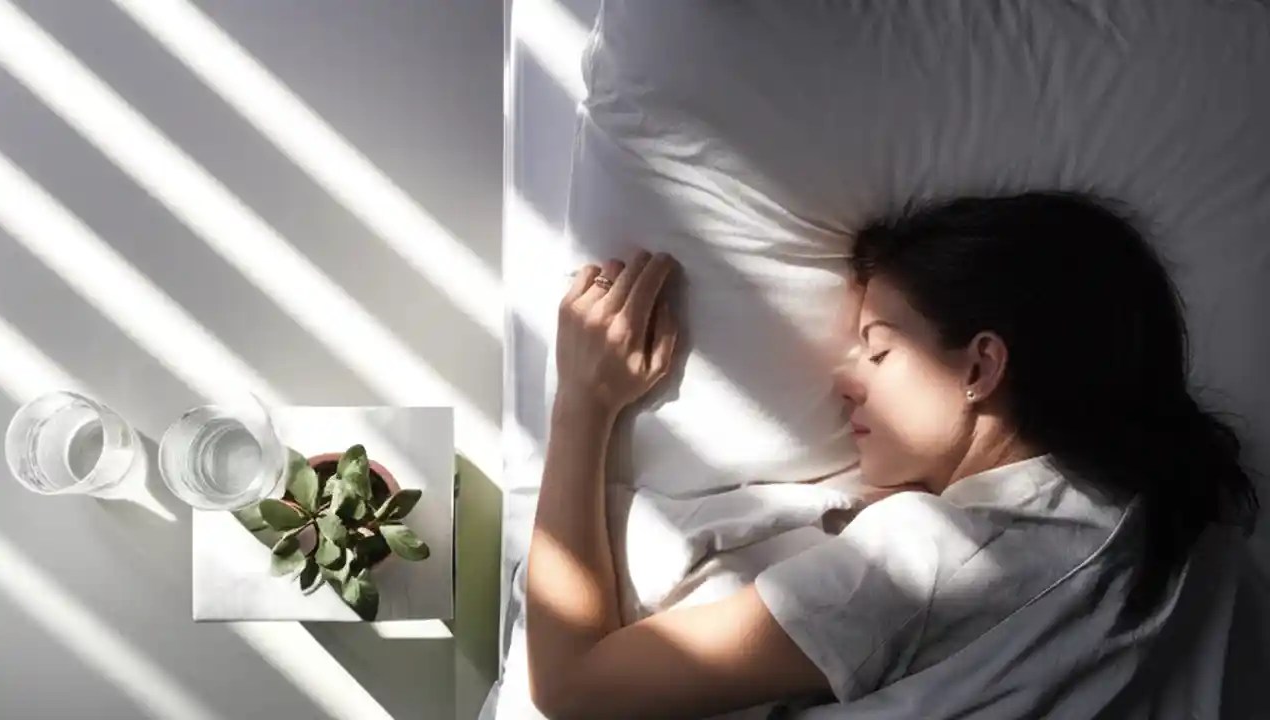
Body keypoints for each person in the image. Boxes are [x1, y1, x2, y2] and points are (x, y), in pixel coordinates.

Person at [524, 191, 1259, 719]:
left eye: (878, 350)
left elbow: (574, 690)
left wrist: (582, 406)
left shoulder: (928, 556)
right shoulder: (1214, 544)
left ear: (978, 368)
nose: (845, 380)